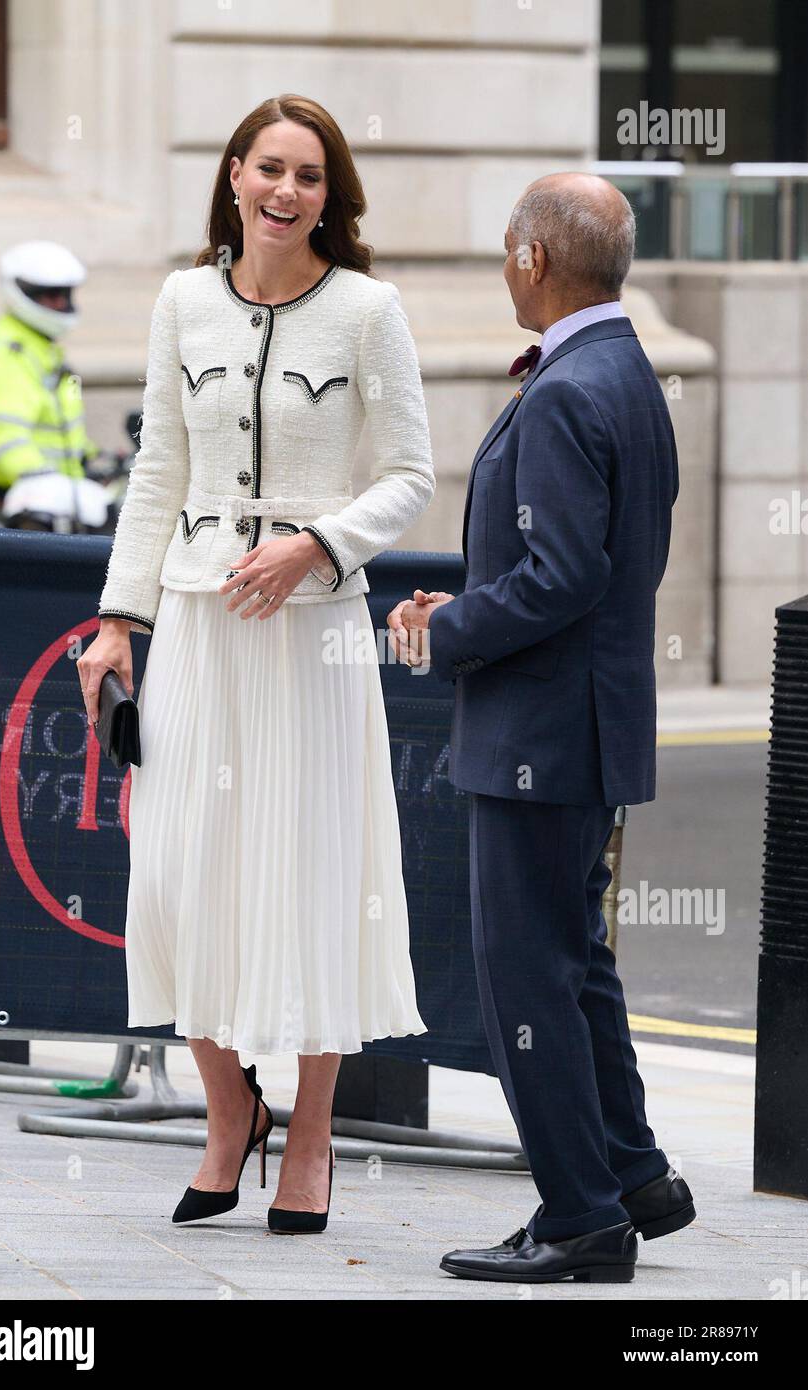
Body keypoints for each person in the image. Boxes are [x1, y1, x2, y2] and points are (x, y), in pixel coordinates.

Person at [77, 94, 434, 1234]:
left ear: (332, 197)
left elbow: (413, 475)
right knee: (177, 875)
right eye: (269, 168)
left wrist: (314, 543)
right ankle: (230, 1107)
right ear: (233, 176)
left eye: (310, 177)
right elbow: (156, 473)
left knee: (318, 874)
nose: (287, 192)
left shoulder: (370, 312)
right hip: (194, 624)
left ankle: (311, 1134)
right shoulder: (182, 300)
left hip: (314, 633)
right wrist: (116, 620)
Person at [388, 173, 692, 1284]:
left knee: (527, 978)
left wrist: (451, 626)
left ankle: (579, 1219)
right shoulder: (624, 373)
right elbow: (595, 569)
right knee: (576, 965)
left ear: (532, 260)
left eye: (506, 249)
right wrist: (466, 605)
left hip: (539, 735)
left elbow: (563, 575)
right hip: (582, 726)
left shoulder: (569, 388)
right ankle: (633, 1175)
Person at [0, 240, 98, 513]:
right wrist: (42, 479)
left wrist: (90, 458)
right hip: (8, 504)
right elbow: (5, 434)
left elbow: (58, 427)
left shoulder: (41, 347)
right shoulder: (8, 353)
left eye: (65, 294)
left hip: (48, 498)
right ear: (24, 294)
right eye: (50, 295)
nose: (60, 304)